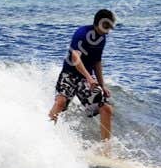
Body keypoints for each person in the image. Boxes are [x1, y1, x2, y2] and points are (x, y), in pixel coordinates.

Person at [48, 9, 116, 141]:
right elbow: (75, 59)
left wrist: (102, 85)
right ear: (97, 24)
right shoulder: (82, 33)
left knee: (106, 108)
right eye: (106, 27)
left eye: (110, 27)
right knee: (61, 102)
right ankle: (47, 133)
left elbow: (97, 62)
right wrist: (90, 78)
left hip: (85, 79)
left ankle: (106, 149)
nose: (108, 31)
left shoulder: (102, 39)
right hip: (69, 74)